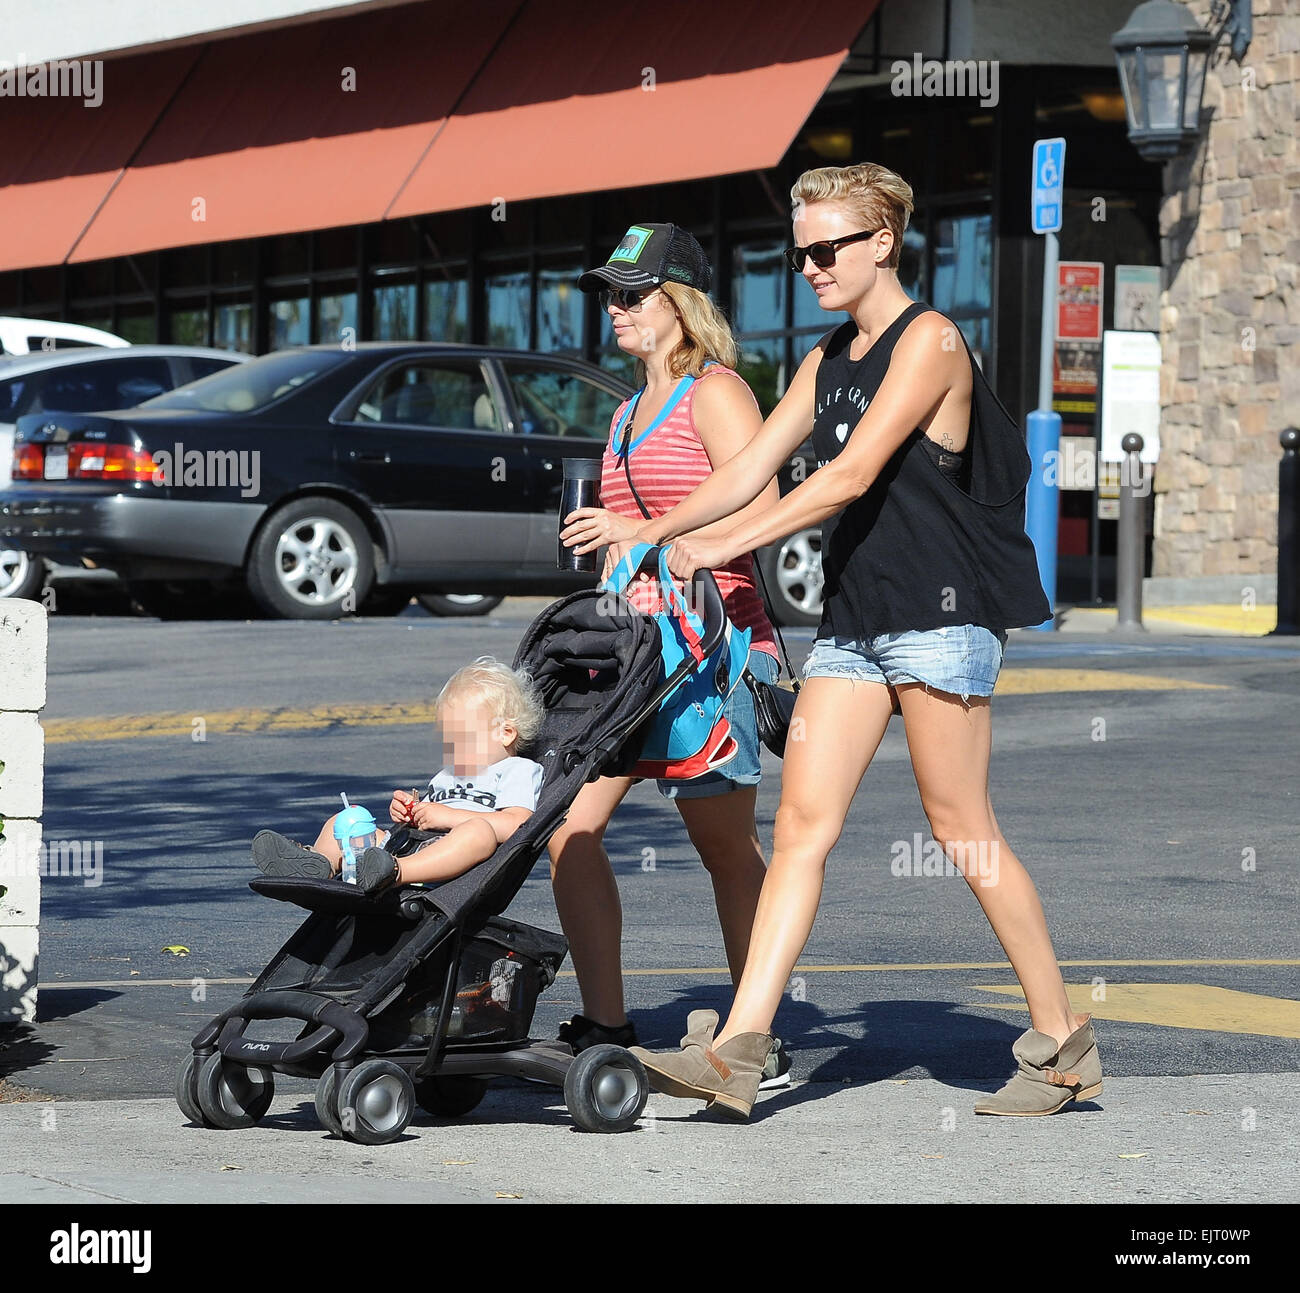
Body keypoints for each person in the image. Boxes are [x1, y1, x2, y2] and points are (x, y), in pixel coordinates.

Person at [610, 165, 1100, 1120]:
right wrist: (655, 532)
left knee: (963, 831)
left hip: (940, 620)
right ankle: (742, 1048)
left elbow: (846, 476)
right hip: (856, 624)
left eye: (828, 248)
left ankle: (1063, 1040)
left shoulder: (932, 343)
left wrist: (717, 545)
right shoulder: (829, 355)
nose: (811, 267)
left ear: (883, 242)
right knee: (801, 827)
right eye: (799, 254)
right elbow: (755, 463)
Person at [550, 222, 789, 1087]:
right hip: (632, 653)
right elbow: (635, 537)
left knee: (725, 849)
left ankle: (757, 1027)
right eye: (609, 293)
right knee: (567, 825)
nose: (614, 308)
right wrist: (611, 551)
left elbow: (762, 511)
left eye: (631, 293)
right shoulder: (624, 410)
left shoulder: (715, 393)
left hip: (712, 648)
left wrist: (644, 531)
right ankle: (606, 1021)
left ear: (680, 304)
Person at [252, 657, 545, 893]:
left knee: (478, 832)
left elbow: (518, 825)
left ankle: (395, 873)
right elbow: (429, 813)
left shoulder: (517, 769)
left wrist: (448, 817)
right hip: (402, 848)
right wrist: (410, 810)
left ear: (505, 733)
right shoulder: (449, 774)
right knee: (346, 819)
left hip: (451, 860)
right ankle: (320, 866)